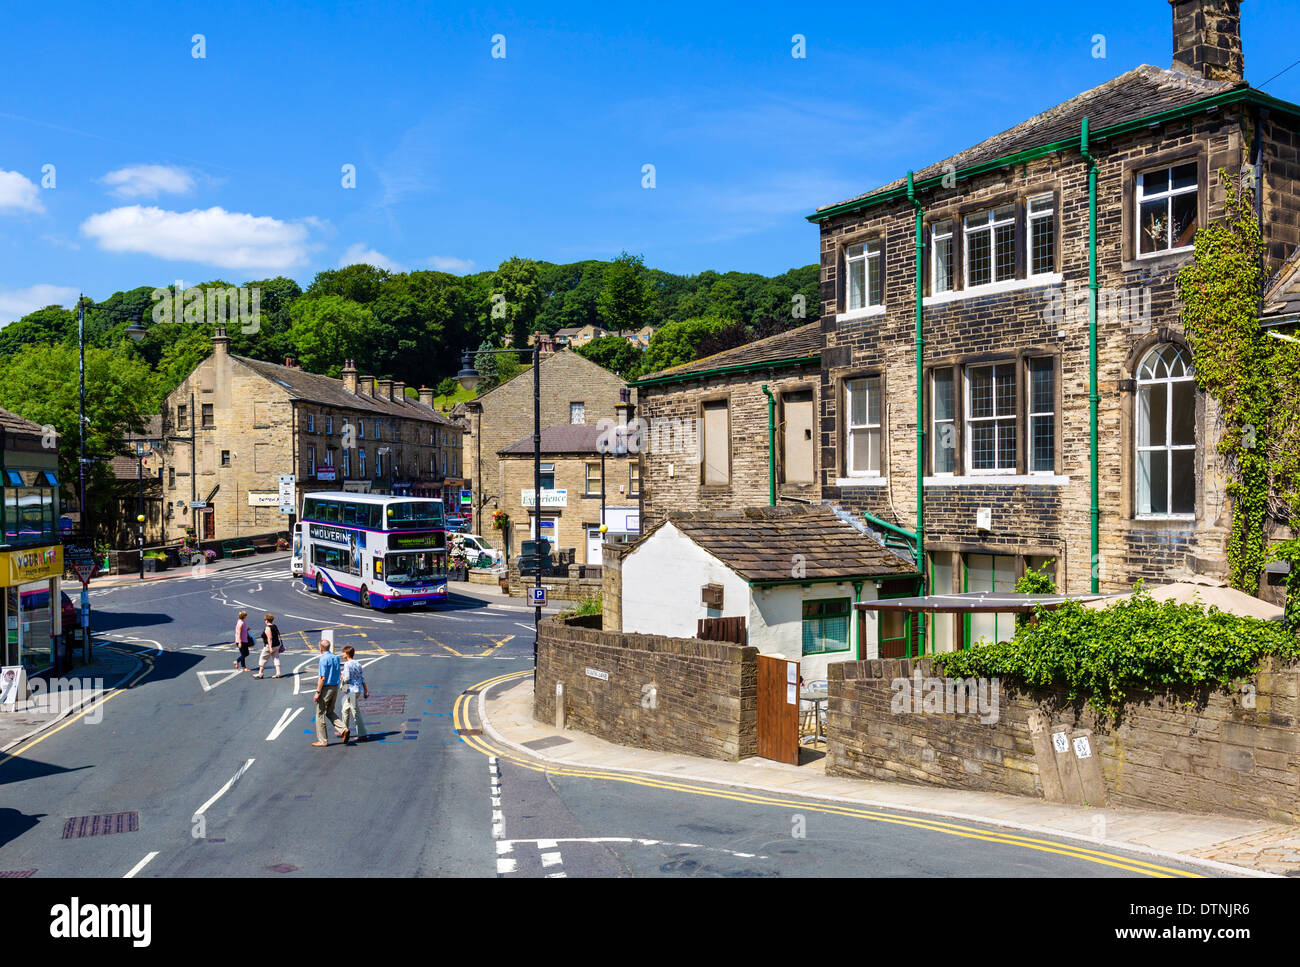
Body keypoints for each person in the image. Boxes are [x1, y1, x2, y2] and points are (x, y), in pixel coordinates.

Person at [312, 638, 343, 747]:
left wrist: (317, 692)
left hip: (326, 688)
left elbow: (322, 677)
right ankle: (343, 729)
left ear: (320, 648)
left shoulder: (323, 659)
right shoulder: (336, 657)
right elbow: (340, 672)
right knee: (330, 711)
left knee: (320, 714)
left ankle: (322, 740)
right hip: (335, 687)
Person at [337, 645, 369, 744]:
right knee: (345, 710)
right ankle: (344, 730)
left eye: (343, 652)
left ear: (347, 654)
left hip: (351, 691)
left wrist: (343, 687)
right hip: (358, 690)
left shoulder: (347, 664)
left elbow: (346, 678)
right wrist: (365, 690)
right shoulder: (358, 664)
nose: (342, 654)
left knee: (355, 712)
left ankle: (362, 734)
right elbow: (362, 678)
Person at [254, 613, 284, 679]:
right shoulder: (274, 626)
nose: (265, 621)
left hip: (269, 646)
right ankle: (278, 673)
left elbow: (269, 638)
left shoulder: (268, 628)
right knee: (276, 658)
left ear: (267, 620)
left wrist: (270, 648)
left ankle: (260, 673)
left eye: (265, 620)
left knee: (263, 658)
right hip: (277, 645)